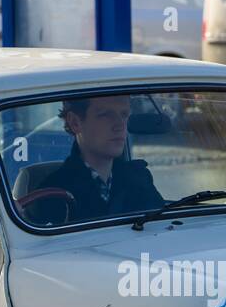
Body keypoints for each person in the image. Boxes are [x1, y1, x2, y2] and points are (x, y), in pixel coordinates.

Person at [38, 95, 164, 223]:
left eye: (124, 114)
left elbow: (161, 227)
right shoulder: (53, 191)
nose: (120, 126)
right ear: (75, 122)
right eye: (105, 115)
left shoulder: (139, 177)